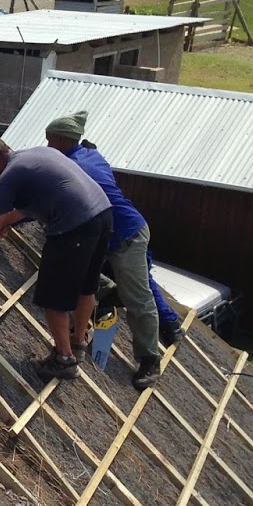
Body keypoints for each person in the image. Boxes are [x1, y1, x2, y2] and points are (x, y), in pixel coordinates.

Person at [0, 137, 112, 382]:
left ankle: (64, 360)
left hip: (74, 226)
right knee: (86, 287)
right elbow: (38, 204)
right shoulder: (38, 156)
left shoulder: (9, 176)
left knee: (52, 296)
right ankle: (78, 343)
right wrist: (8, 220)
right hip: (103, 215)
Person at [43, 113, 164, 390]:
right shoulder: (88, 155)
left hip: (125, 235)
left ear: (62, 139)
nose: (48, 147)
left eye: (50, 141)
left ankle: (149, 359)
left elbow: (52, 200)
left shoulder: (73, 167)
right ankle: (109, 288)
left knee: (138, 298)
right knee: (80, 277)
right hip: (99, 235)